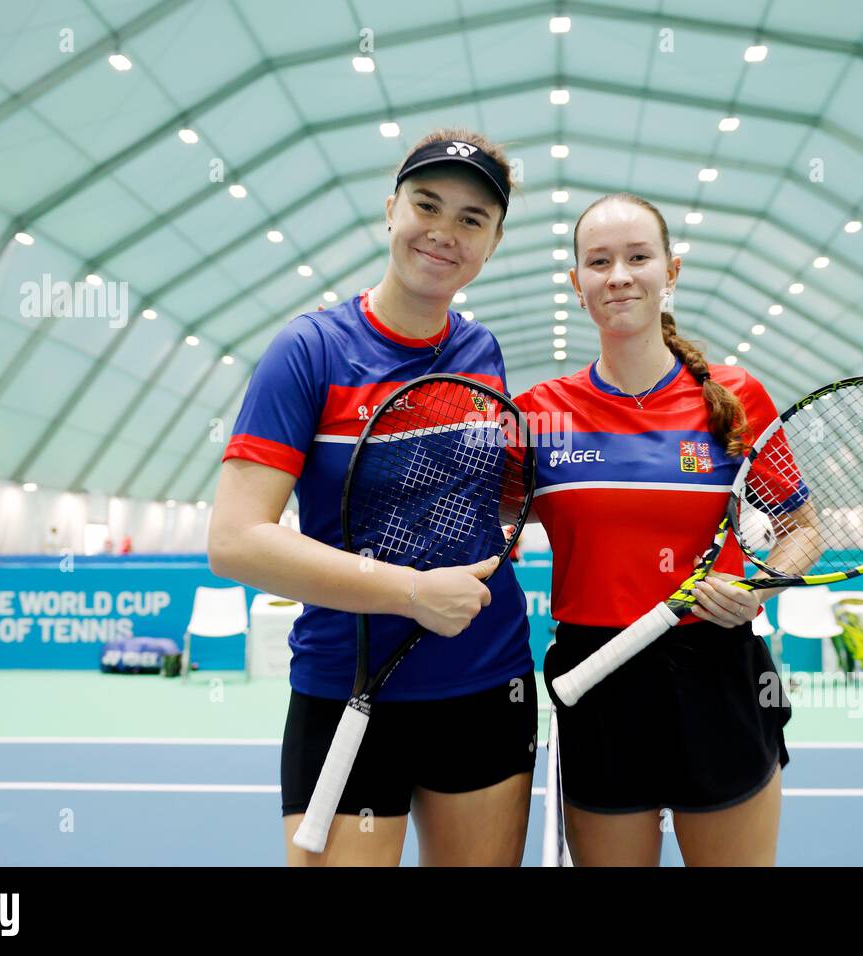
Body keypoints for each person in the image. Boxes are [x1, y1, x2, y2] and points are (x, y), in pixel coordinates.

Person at [208, 129, 536, 866]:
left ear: (492, 245)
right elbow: (234, 540)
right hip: (346, 685)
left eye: (471, 220)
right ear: (391, 210)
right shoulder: (310, 351)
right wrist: (410, 593)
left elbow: (488, 498)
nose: (444, 232)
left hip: (486, 686)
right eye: (428, 205)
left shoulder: (483, 355)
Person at [515, 192, 812, 866]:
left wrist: (759, 590)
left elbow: (802, 525)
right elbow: (490, 516)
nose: (618, 274)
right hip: (598, 676)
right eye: (599, 261)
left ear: (669, 271)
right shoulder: (541, 413)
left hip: (719, 667)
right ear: (577, 284)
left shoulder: (736, 397)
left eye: (637, 257)